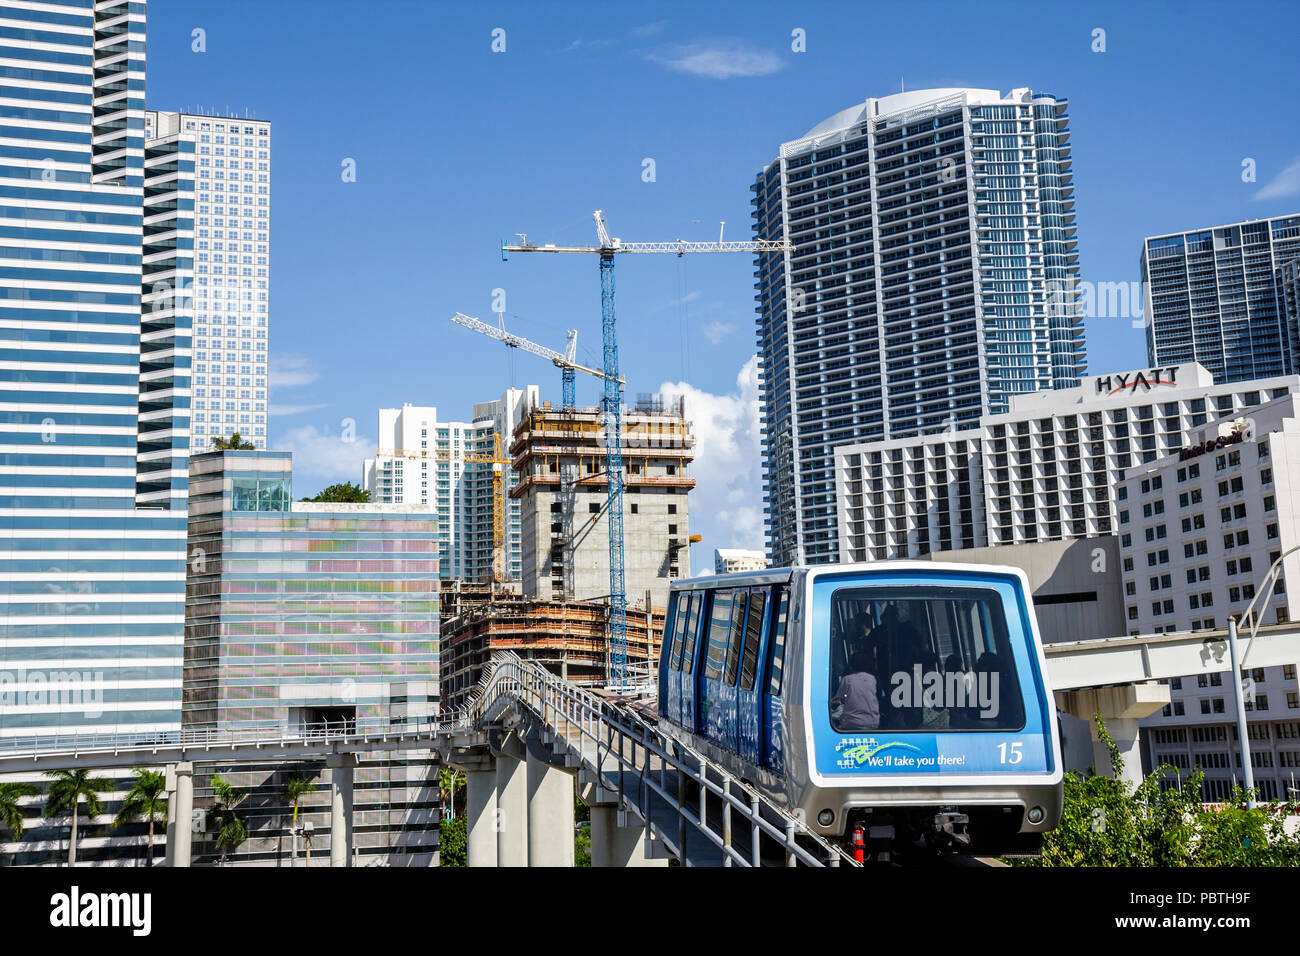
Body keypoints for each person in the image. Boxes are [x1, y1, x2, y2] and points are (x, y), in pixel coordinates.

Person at [831, 650, 880, 732]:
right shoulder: (872, 679)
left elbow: (838, 700)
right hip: (873, 723)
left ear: (852, 665)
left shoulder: (847, 679)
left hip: (851, 723)